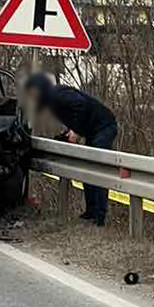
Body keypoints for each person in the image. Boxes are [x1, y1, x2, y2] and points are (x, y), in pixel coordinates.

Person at [24, 73, 118, 225]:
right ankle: (90, 212)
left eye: (33, 92)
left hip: (105, 127)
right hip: (92, 131)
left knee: (98, 170)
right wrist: (69, 131)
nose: (32, 96)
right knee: (88, 170)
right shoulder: (49, 100)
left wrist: (77, 130)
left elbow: (80, 105)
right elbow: (73, 113)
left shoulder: (57, 94)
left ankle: (100, 217)